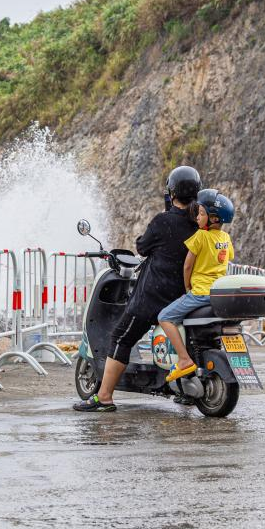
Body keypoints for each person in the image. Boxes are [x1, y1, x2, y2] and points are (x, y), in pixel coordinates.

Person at [73, 165, 201, 412]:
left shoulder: (163, 221)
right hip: (183, 295)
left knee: (122, 336)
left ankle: (104, 397)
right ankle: (183, 391)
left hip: (153, 295)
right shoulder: (198, 224)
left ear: (171, 192)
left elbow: (141, 247)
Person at [156, 191, 235, 382]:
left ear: (213, 218)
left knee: (164, 317)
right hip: (218, 293)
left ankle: (184, 360)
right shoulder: (225, 238)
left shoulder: (200, 236)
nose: (197, 217)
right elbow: (228, 258)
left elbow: (188, 265)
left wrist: (187, 287)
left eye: (200, 213)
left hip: (199, 293)